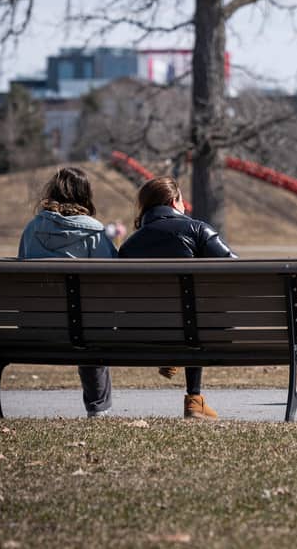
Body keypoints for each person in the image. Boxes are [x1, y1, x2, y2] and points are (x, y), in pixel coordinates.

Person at [118, 176, 236, 420]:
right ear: (174, 201)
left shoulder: (129, 245)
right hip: (195, 326)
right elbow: (236, 269)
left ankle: (171, 352)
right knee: (195, 312)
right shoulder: (197, 229)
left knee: (184, 312)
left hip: (146, 329)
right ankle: (194, 399)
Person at [17, 167, 117, 418]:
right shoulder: (94, 232)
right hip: (86, 328)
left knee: (86, 322)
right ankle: (98, 409)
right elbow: (114, 281)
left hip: (37, 325)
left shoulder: (31, 230)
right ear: (85, 196)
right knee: (90, 324)